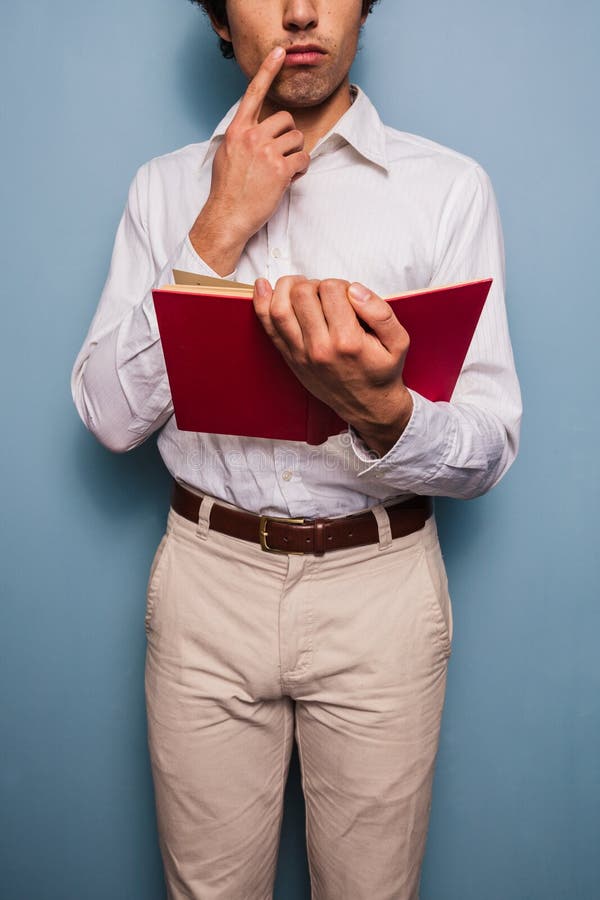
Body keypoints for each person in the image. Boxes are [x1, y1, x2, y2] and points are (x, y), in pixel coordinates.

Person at [71, 1, 522, 897]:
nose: (303, 11)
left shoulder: (447, 188)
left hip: (380, 595)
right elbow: (108, 417)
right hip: (207, 585)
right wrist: (215, 233)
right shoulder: (164, 189)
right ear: (219, 21)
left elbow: (490, 447)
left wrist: (386, 412)